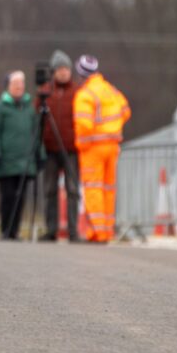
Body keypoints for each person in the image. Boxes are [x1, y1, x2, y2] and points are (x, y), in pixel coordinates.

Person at [72, 55, 131, 243]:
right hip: (112, 145)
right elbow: (125, 111)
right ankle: (106, 230)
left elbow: (84, 125)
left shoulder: (85, 95)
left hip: (93, 148)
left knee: (93, 188)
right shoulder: (110, 90)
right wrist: (112, 129)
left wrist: (82, 146)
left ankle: (97, 232)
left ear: (81, 74)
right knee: (108, 189)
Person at [0, 71, 36, 240]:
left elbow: (35, 133)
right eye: (15, 84)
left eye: (21, 84)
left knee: (20, 197)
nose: (19, 87)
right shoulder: (0, 107)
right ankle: (5, 229)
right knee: (7, 196)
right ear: (8, 86)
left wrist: (39, 154)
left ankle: (15, 230)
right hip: (6, 161)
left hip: (24, 161)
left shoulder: (29, 108)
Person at [38, 49, 80, 241]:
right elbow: (37, 117)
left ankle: (73, 230)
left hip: (71, 148)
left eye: (66, 69)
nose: (63, 72)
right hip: (50, 148)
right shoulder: (45, 92)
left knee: (72, 190)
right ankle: (51, 229)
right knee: (50, 190)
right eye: (60, 69)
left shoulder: (78, 92)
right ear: (53, 72)